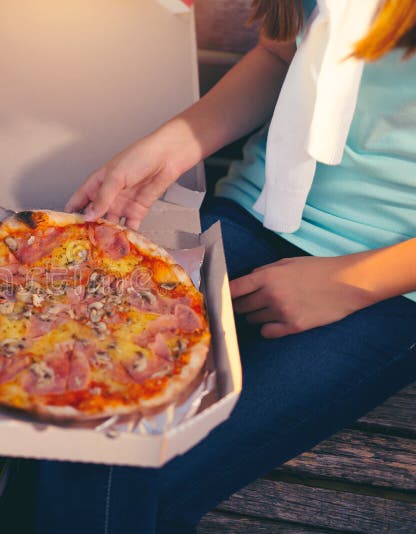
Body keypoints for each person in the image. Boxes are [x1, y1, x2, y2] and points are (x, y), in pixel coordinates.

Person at [32, 0, 416, 531]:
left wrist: (348, 283)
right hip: (257, 210)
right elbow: (283, 56)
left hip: (389, 283)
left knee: (144, 477)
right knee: (78, 410)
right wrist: (169, 148)